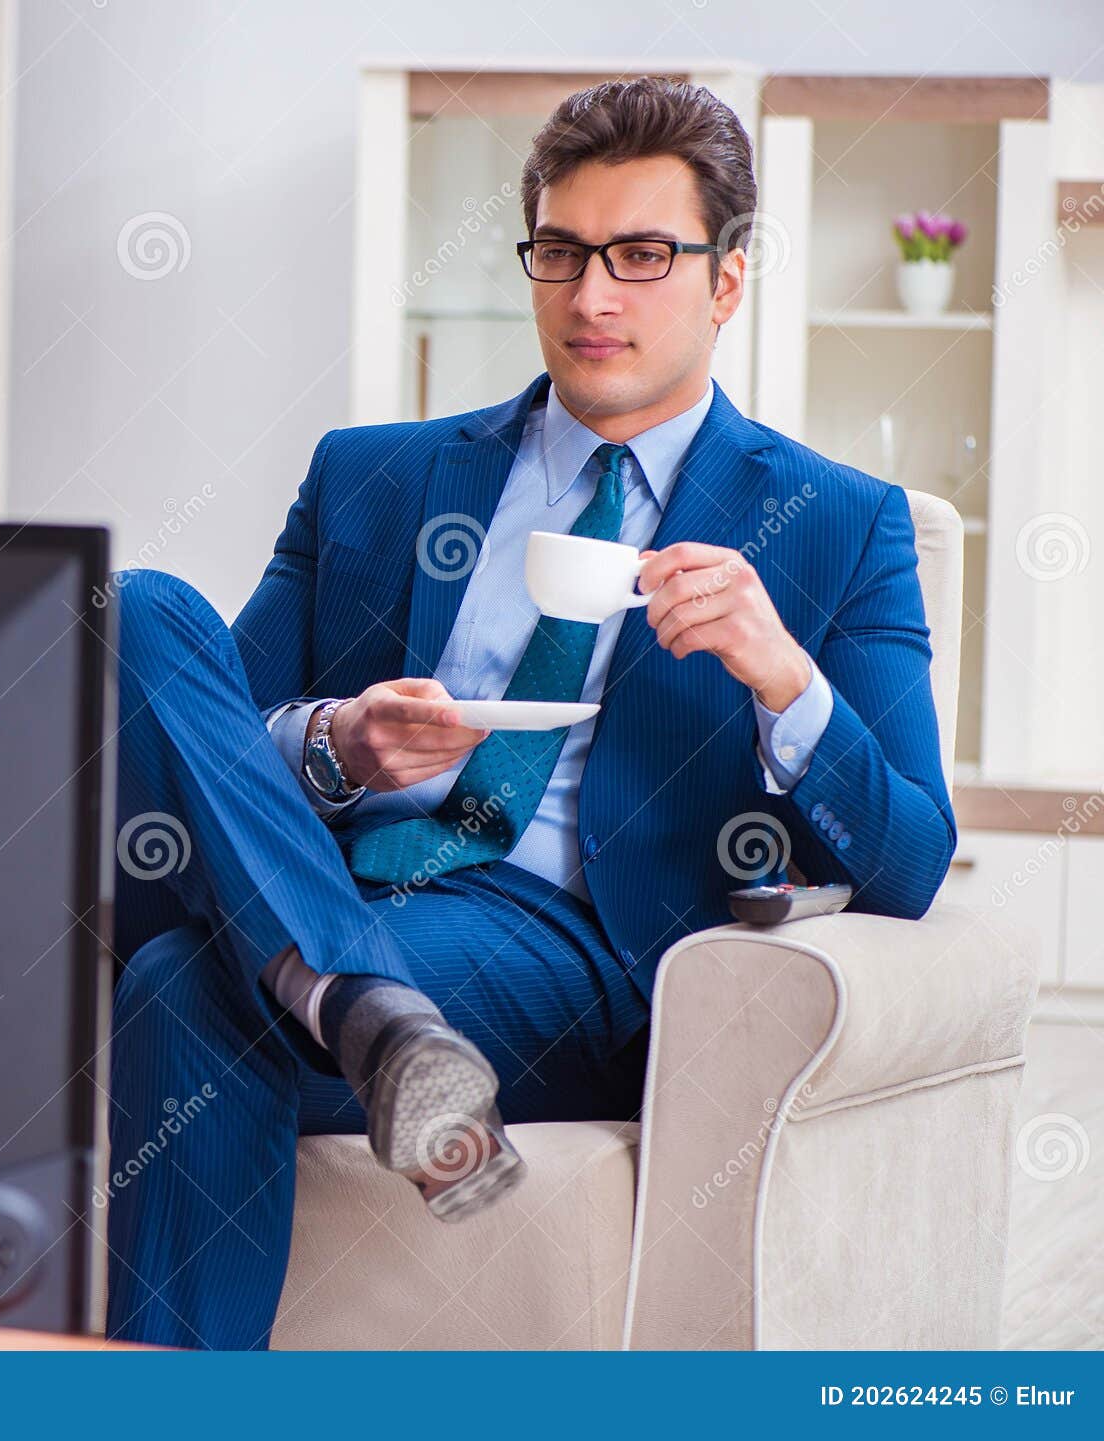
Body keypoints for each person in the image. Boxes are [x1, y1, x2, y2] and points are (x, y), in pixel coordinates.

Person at [102, 75, 955, 1350]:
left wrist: (784, 675)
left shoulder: (836, 524)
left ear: (726, 280)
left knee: (179, 985)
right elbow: (211, 727)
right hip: (328, 877)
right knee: (130, 604)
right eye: (561, 253)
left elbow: (912, 859)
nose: (592, 297)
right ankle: (363, 1009)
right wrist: (334, 743)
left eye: (642, 256)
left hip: (565, 942)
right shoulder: (374, 475)